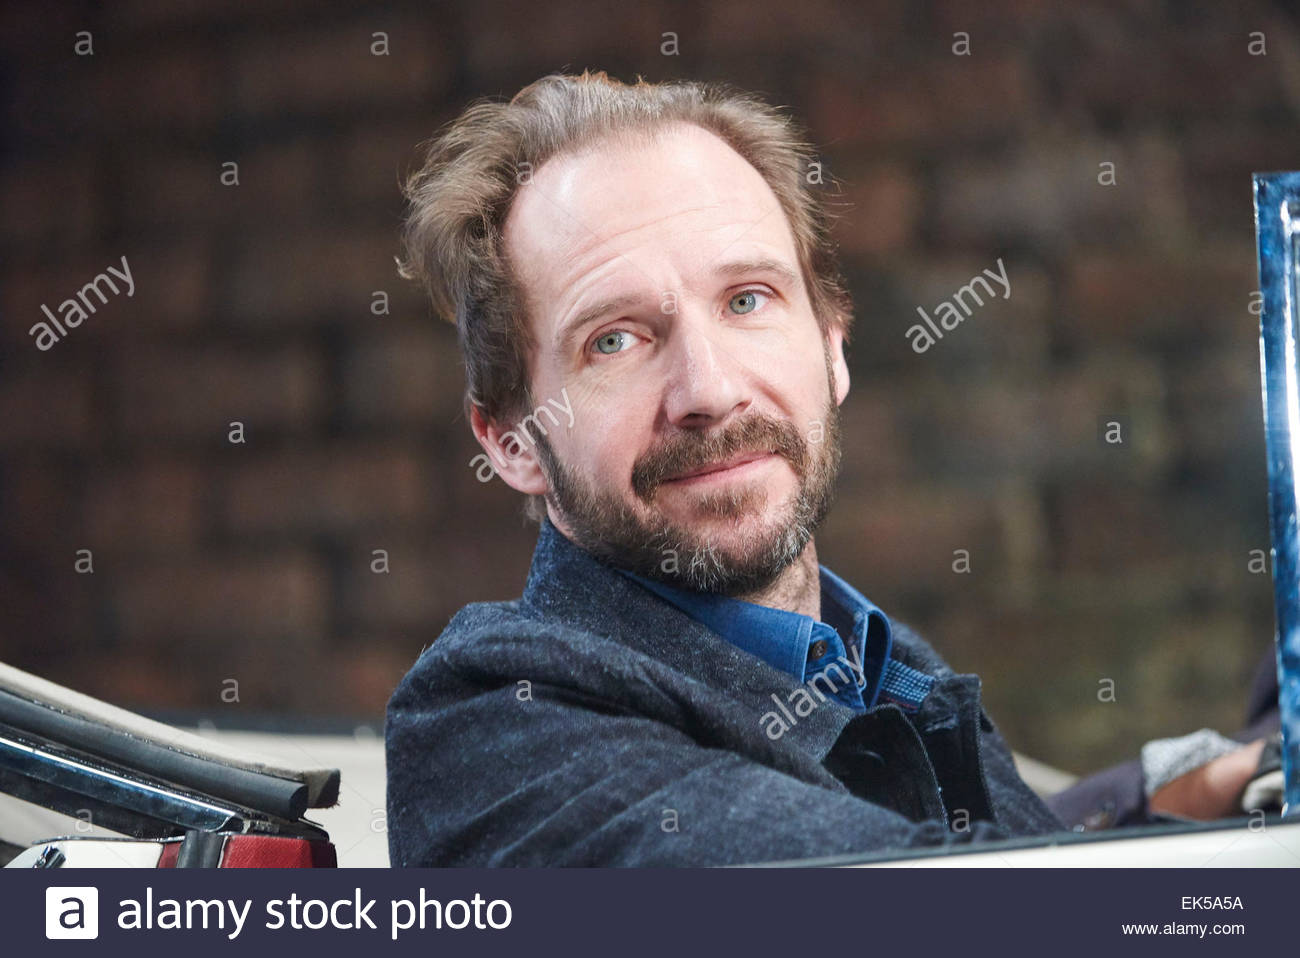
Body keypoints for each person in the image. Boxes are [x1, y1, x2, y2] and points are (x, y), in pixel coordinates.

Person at [383, 70, 1266, 866]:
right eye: (614, 339)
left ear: (832, 345)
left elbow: (985, 856)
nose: (711, 389)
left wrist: (1172, 795)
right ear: (511, 441)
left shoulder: (874, 659)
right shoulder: (494, 724)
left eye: (748, 300)